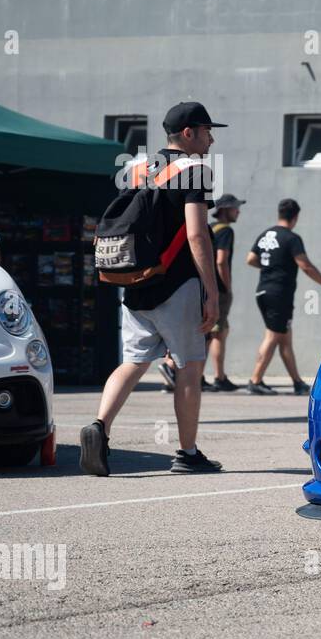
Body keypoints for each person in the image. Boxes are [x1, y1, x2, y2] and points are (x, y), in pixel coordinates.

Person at [79, 101, 225, 475]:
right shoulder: (195, 170)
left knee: (133, 362)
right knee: (190, 365)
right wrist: (212, 290)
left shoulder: (135, 167)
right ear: (189, 133)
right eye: (208, 131)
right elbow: (196, 234)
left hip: (134, 281)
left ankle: (99, 427)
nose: (211, 140)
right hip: (176, 284)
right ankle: (188, 453)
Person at [247, 198, 321, 395]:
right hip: (279, 294)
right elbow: (305, 266)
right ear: (296, 217)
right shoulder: (291, 238)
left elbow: (251, 259)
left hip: (263, 290)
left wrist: (270, 267)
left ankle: (297, 382)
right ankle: (255, 380)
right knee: (272, 336)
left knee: (285, 338)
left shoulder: (266, 235)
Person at [205, 193, 245, 391]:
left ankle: (195, 375)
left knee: (205, 331)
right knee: (220, 332)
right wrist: (227, 287)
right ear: (224, 210)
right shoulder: (226, 231)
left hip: (203, 287)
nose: (238, 211)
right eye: (235, 207)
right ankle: (219, 377)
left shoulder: (209, 229)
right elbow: (221, 261)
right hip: (218, 290)